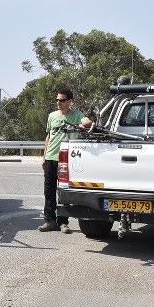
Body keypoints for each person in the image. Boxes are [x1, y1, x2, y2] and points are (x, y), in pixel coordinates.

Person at [39, 88, 92, 234]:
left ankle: (63, 222)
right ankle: (49, 221)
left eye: (62, 100)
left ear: (69, 101)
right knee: (48, 191)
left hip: (66, 159)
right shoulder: (52, 116)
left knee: (63, 191)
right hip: (51, 158)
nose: (58, 103)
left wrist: (82, 125)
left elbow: (88, 120)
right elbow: (49, 136)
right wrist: (44, 156)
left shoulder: (76, 115)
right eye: (57, 100)